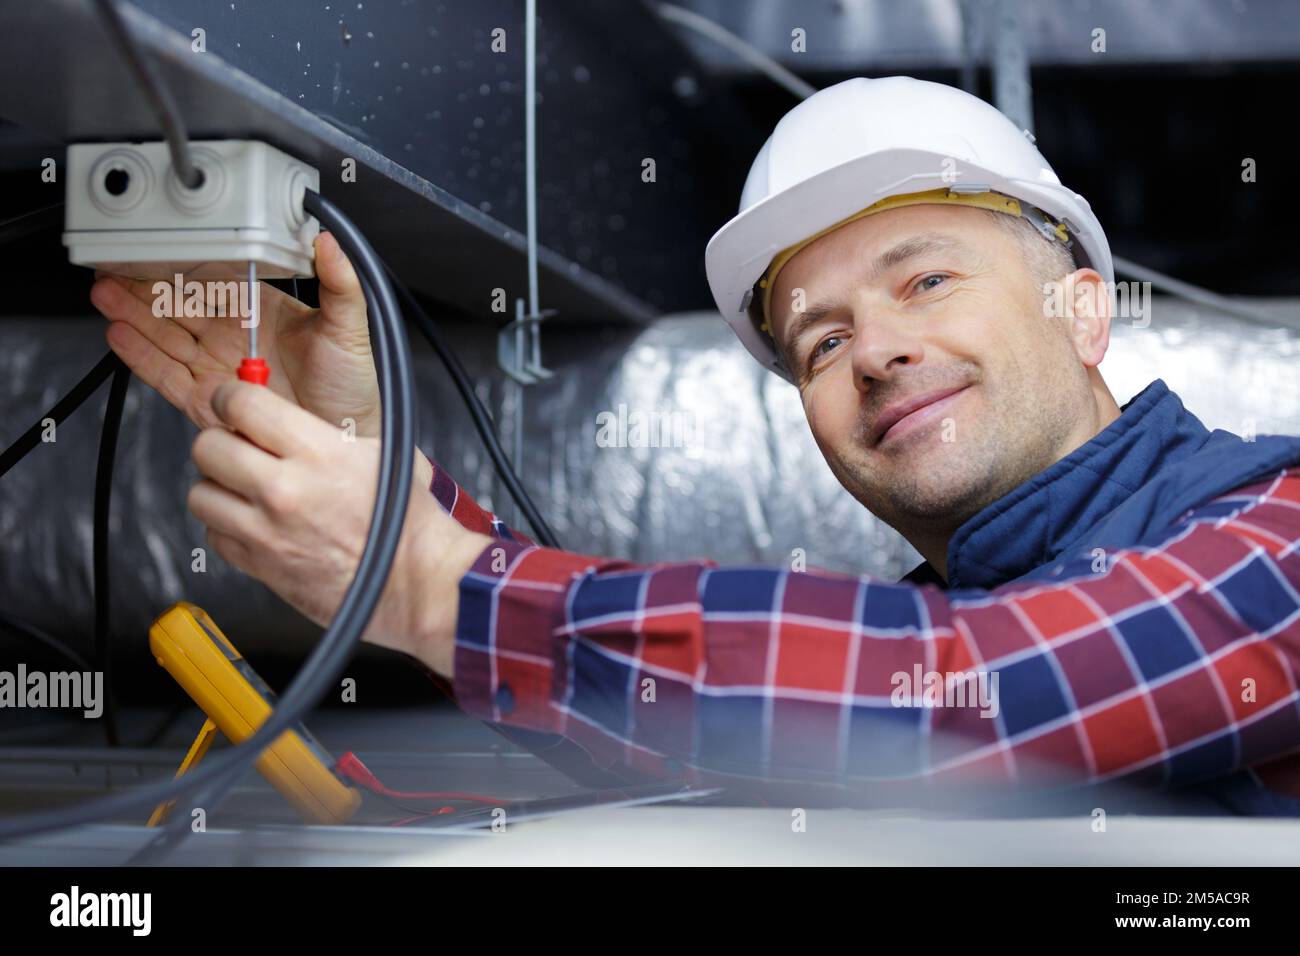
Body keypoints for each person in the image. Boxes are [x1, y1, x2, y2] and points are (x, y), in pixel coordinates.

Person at [90, 77, 1300, 814]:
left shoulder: (1277, 535)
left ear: (1082, 309)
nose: (873, 350)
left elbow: (980, 694)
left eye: (925, 277)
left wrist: (427, 582)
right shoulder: (929, 620)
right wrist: (371, 458)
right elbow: (712, 740)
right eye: (819, 342)